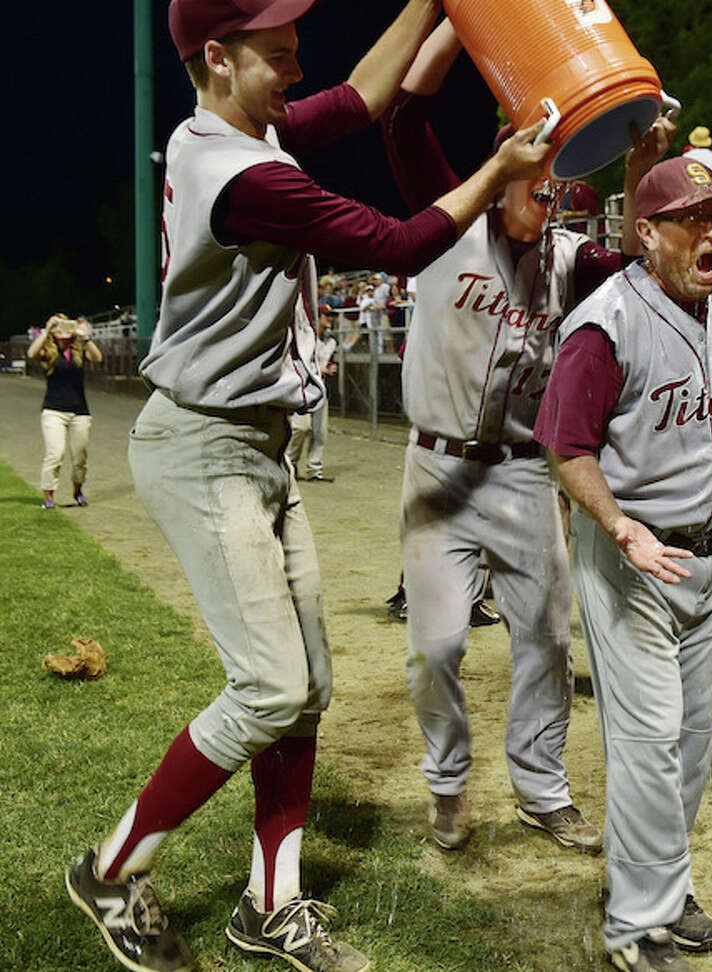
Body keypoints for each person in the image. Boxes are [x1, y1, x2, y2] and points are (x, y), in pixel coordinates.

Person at [63, 0, 555, 970]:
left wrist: (430, 3)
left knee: (309, 691)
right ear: (216, 55)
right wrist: (497, 171)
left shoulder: (245, 128)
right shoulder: (239, 174)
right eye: (277, 52)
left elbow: (368, 96)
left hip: (257, 445)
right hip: (203, 445)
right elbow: (400, 244)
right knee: (269, 687)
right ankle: (111, 870)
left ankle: (270, 905)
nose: (296, 67)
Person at [382, 19, 675, 854]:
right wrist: (459, 20)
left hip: (520, 476)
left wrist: (638, 163)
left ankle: (543, 791)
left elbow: (637, 266)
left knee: (546, 639)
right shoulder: (447, 226)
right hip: (437, 469)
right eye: (534, 178)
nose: (547, 198)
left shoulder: (567, 258)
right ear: (502, 166)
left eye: (557, 188)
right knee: (436, 647)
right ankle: (447, 784)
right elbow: (403, 119)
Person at [535, 154, 712, 972]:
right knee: (650, 741)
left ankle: (652, 878)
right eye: (693, 218)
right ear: (647, 233)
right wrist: (616, 525)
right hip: (635, 558)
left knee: (692, 744)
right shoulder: (603, 325)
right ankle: (638, 923)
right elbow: (565, 446)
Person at [27, 313, 102, 509]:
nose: (63, 331)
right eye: (59, 327)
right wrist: (47, 329)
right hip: (54, 410)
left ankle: (78, 491)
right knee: (55, 453)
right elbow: (31, 354)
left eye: (66, 326)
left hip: (80, 411)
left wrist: (84, 335)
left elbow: (97, 358)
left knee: (79, 456)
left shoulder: (78, 350)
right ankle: (48, 496)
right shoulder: (48, 351)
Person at [286, 307, 338, 482]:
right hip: (305, 388)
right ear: (318, 317)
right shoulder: (306, 337)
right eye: (327, 315)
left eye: (332, 316)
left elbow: (331, 361)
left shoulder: (331, 341)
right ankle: (289, 464)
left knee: (320, 433)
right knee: (301, 427)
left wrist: (330, 367)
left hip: (321, 388)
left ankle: (315, 471)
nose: (331, 319)